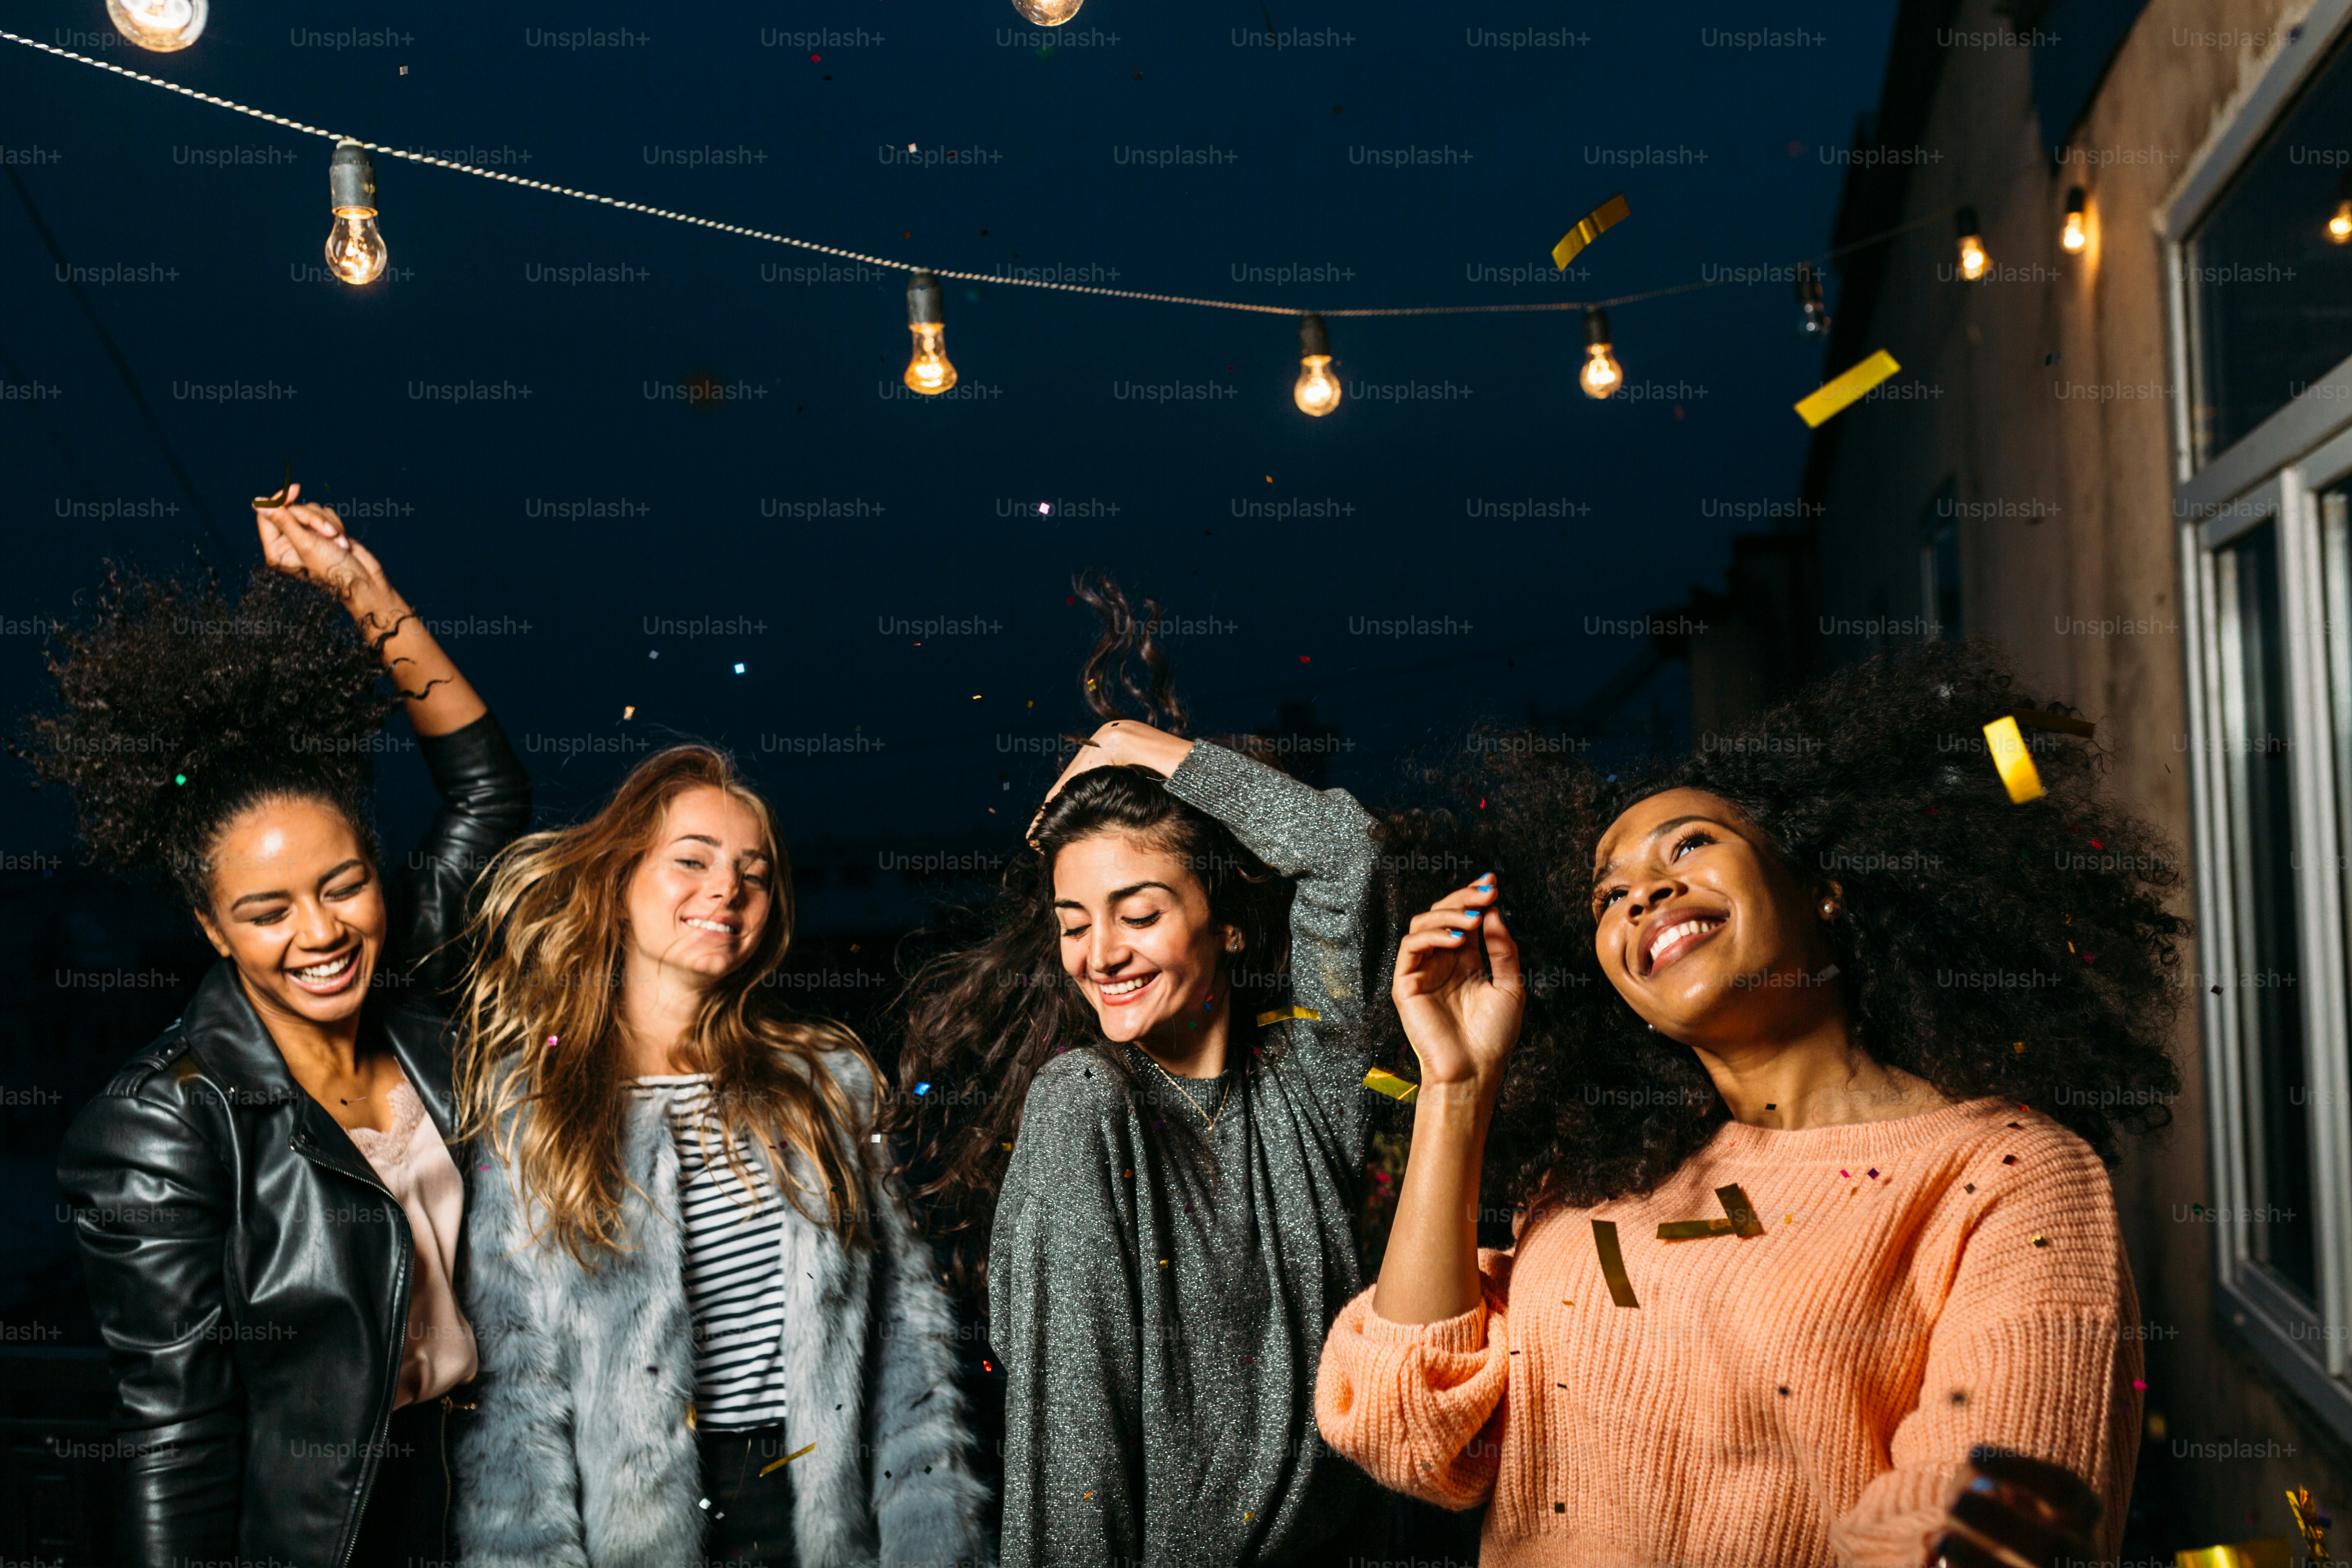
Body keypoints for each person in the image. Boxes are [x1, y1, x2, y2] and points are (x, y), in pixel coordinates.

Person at [1316, 641, 2179, 1568]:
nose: (1643, 892)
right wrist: (1458, 1083)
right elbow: (1409, 1431)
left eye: (1690, 845)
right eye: (1609, 895)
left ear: (1823, 889)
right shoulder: (1595, 1186)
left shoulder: (2005, 1173)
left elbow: (1977, 1517)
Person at [38, 490, 530, 1568]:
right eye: (266, 913)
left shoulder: (414, 1004)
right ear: (213, 928)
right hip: (336, 1537)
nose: (321, 933)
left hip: (500, 1498)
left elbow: (487, 794)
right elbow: (176, 1440)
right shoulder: (160, 1127)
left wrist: (362, 587)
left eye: (345, 884)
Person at [891, 581, 1393, 1567]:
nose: (1101, 953)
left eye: (1141, 910)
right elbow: (1065, 1452)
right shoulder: (1086, 1109)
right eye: (1074, 924)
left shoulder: (1309, 1084)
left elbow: (1346, 852)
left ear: (1232, 920)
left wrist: (1152, 751)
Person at [450, 744, 989, 1568]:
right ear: (619, 882)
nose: (728, 889)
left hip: (813, 1520)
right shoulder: (535, 1107)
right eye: (691, 860)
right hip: (629, 1540)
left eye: (756, 872)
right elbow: (515, 1400)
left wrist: (934, 1542)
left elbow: (909, 1348)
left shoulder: (826, 1087)